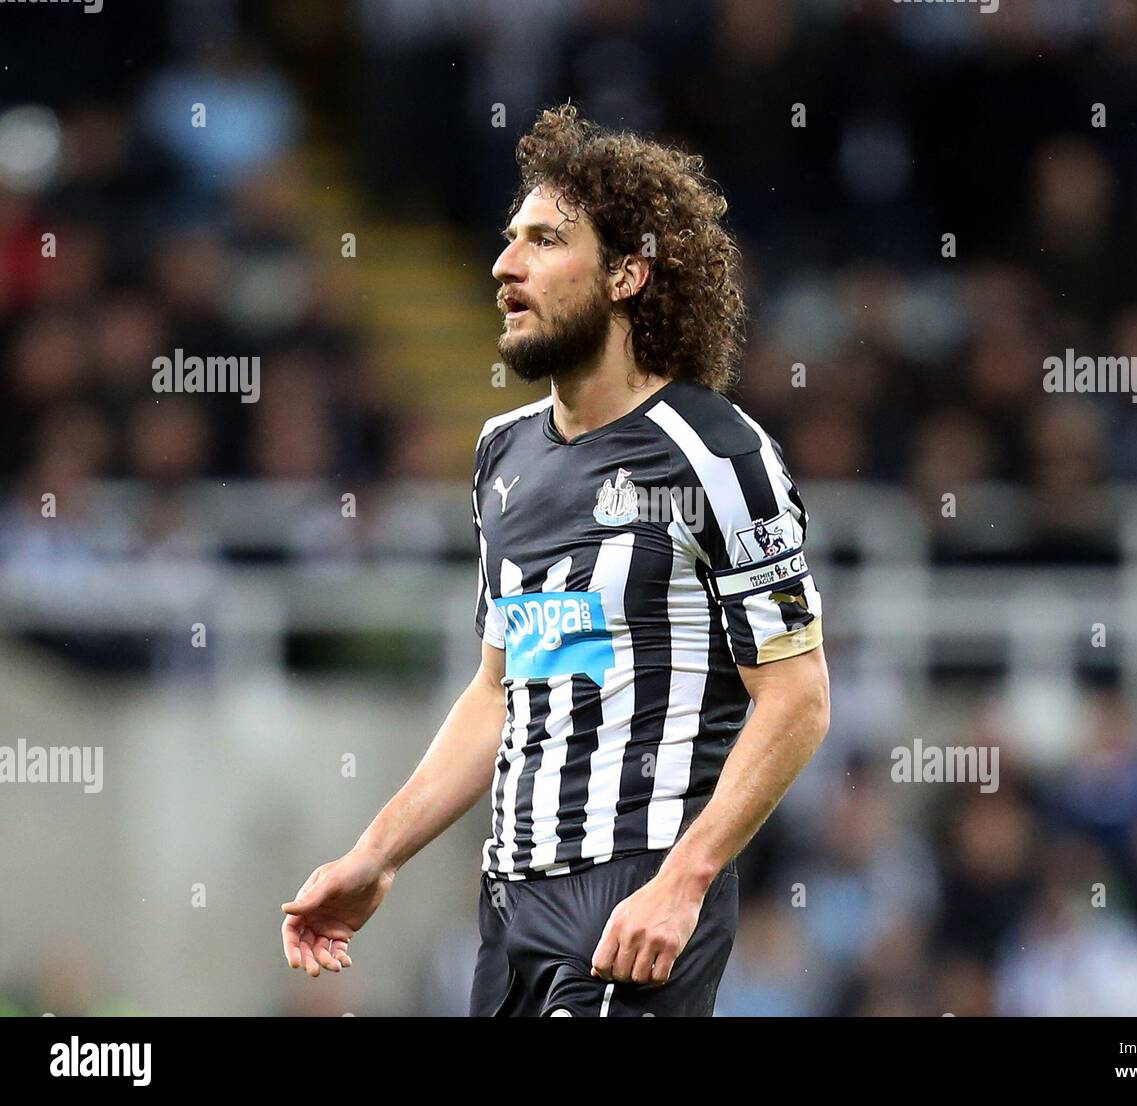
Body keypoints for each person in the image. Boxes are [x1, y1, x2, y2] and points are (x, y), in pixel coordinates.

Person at [281, 105, 829, 1017]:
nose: (505, 265)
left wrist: (684, 882)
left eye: (543, 241)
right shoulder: (504, 455)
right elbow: (502, 690)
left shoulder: (713, 452)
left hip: (636, 891)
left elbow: (798, 695)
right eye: (508, 241)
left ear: (627, 274)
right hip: (510, 899)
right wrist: (375, 855)